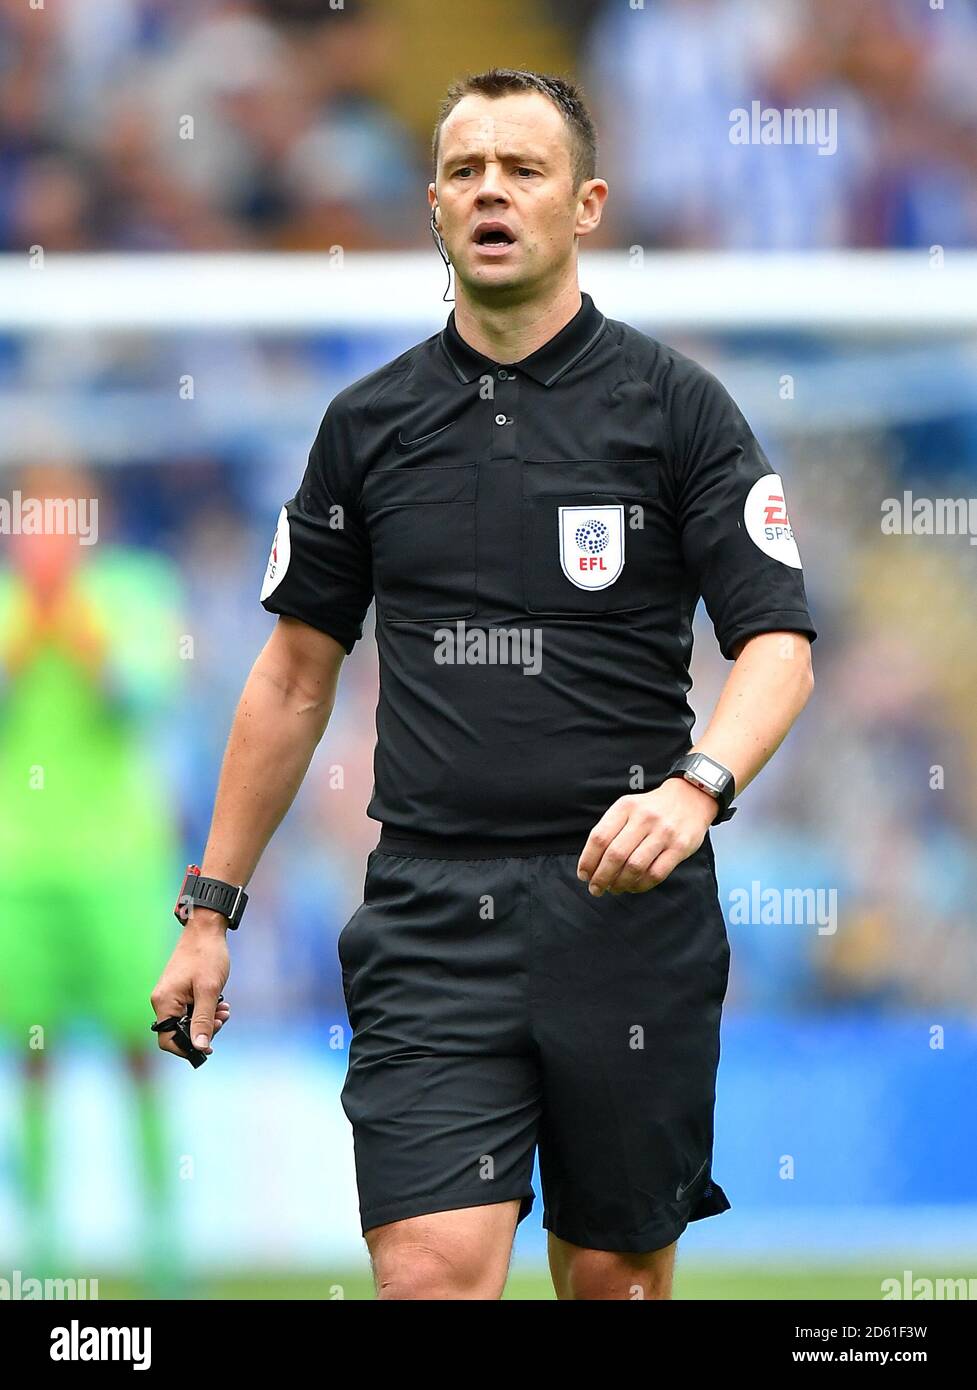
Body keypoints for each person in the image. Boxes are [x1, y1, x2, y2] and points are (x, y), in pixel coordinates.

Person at [151, 68, 816, 1300]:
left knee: (613, 1281)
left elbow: (776, 642)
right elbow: (294, 677)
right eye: (465, 171)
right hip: (429, 910)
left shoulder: (678, 411)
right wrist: (209, 911)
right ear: (435, 208)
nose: (491, 192)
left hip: (627, 913)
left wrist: (695, 789)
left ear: (585, 205)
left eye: (523, 169)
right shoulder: (367, 426)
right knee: (429, 1277)